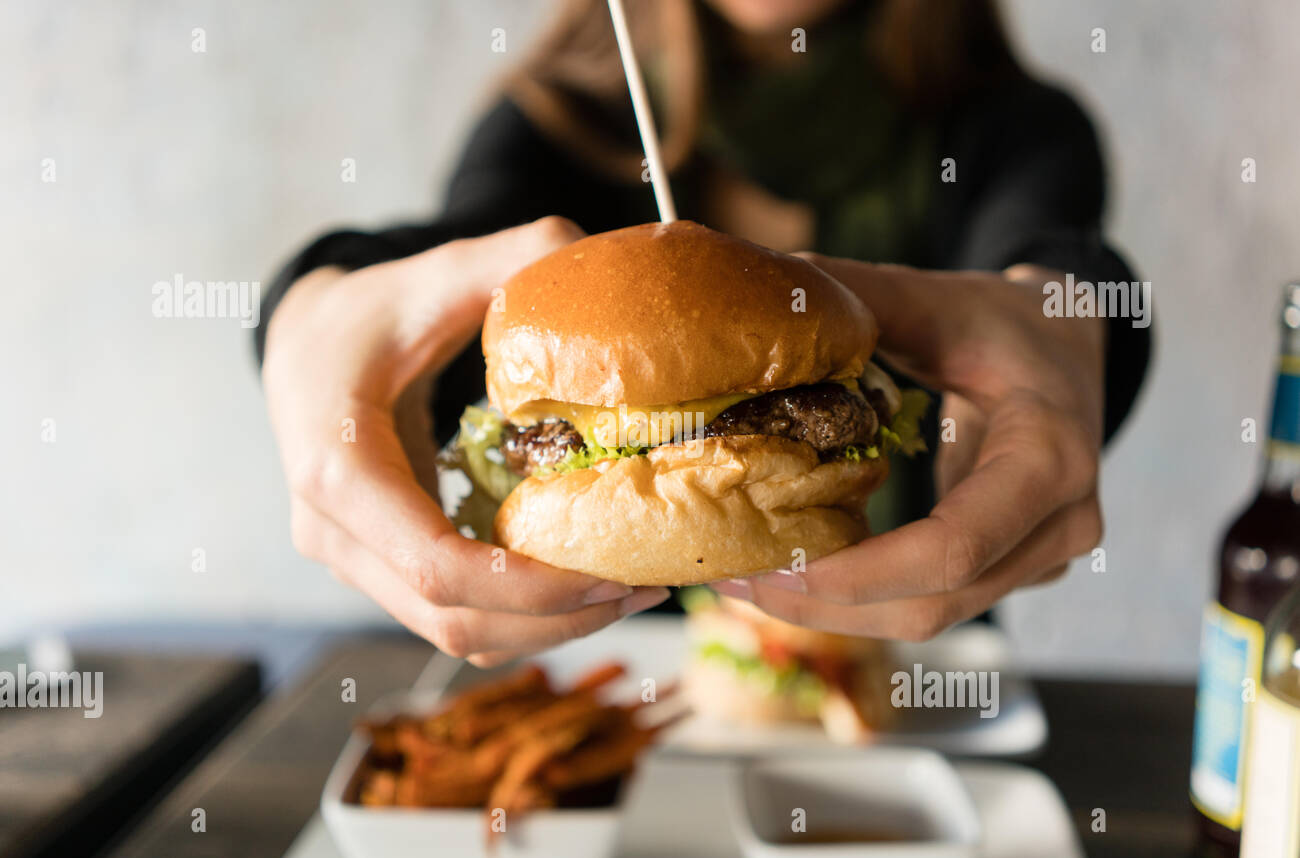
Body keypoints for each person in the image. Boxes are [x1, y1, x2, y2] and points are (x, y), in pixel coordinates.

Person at [257, 0, 1150, 666]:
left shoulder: (1013, 131)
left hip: (918, 696)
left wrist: (1066, 311)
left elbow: (1048, 257)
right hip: (597, 694)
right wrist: (303, 309)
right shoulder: (557, 125)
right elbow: (422, 262)